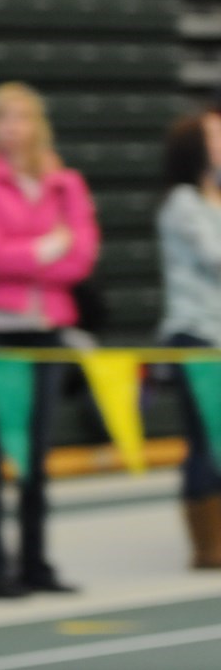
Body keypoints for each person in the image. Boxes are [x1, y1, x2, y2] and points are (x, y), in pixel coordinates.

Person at [0, 82, 99, 599]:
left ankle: (35, 561)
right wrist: (43, 250)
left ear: (37, 124)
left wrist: (33, 253)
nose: (11, 127)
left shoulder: (64, 183)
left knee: (37, 452)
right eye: (1, 118)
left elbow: (81, 257)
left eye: (21, 117)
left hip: (47, 328)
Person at [154, 114, 221, 570]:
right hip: (196, 333)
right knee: (204, 438)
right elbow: (215, 256)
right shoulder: (183, 202)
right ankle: (206, 543)